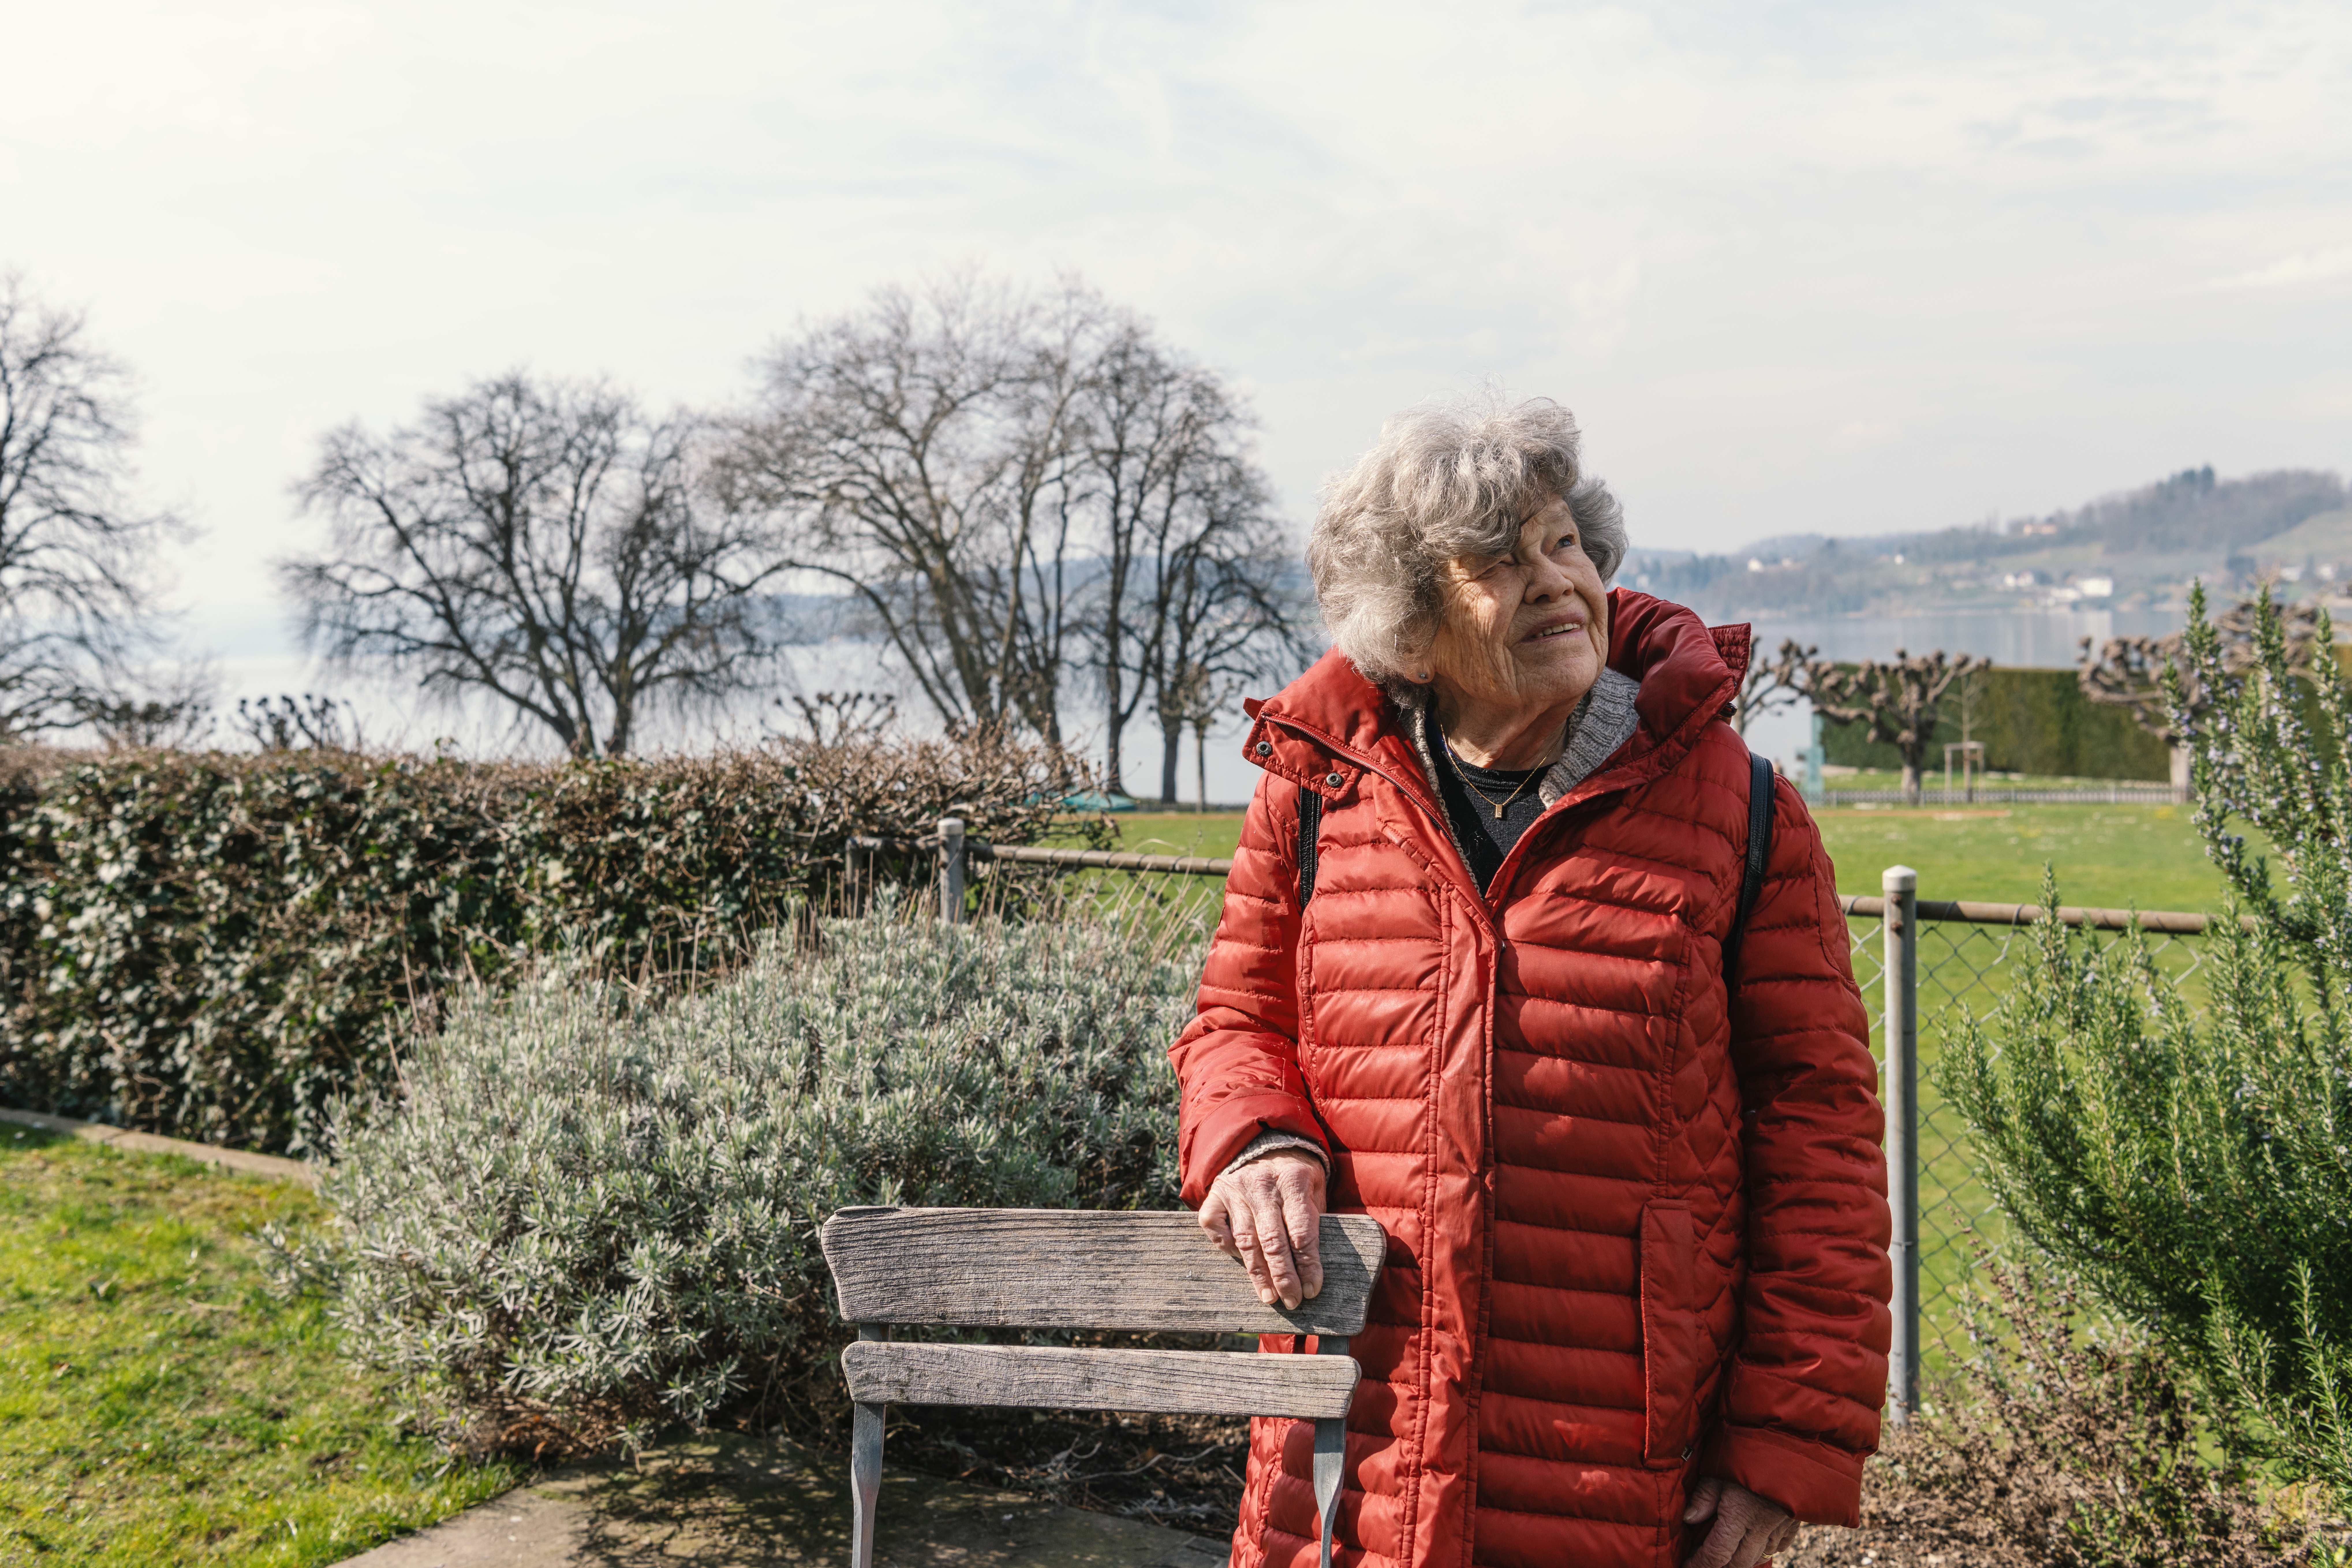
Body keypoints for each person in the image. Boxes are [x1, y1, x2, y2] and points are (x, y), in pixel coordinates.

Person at [1171, 397, 1890, 1568]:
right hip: (1353, 1442)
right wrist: (1255, 1139)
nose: (1556, 580)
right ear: (1413, 622)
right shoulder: (1315, 792)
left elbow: (1824, 1138)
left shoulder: (1742, 810)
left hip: (1621, 1461)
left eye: (1563, 544)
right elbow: (1237, 1023)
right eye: (1501, 561)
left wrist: (1785, 1439)